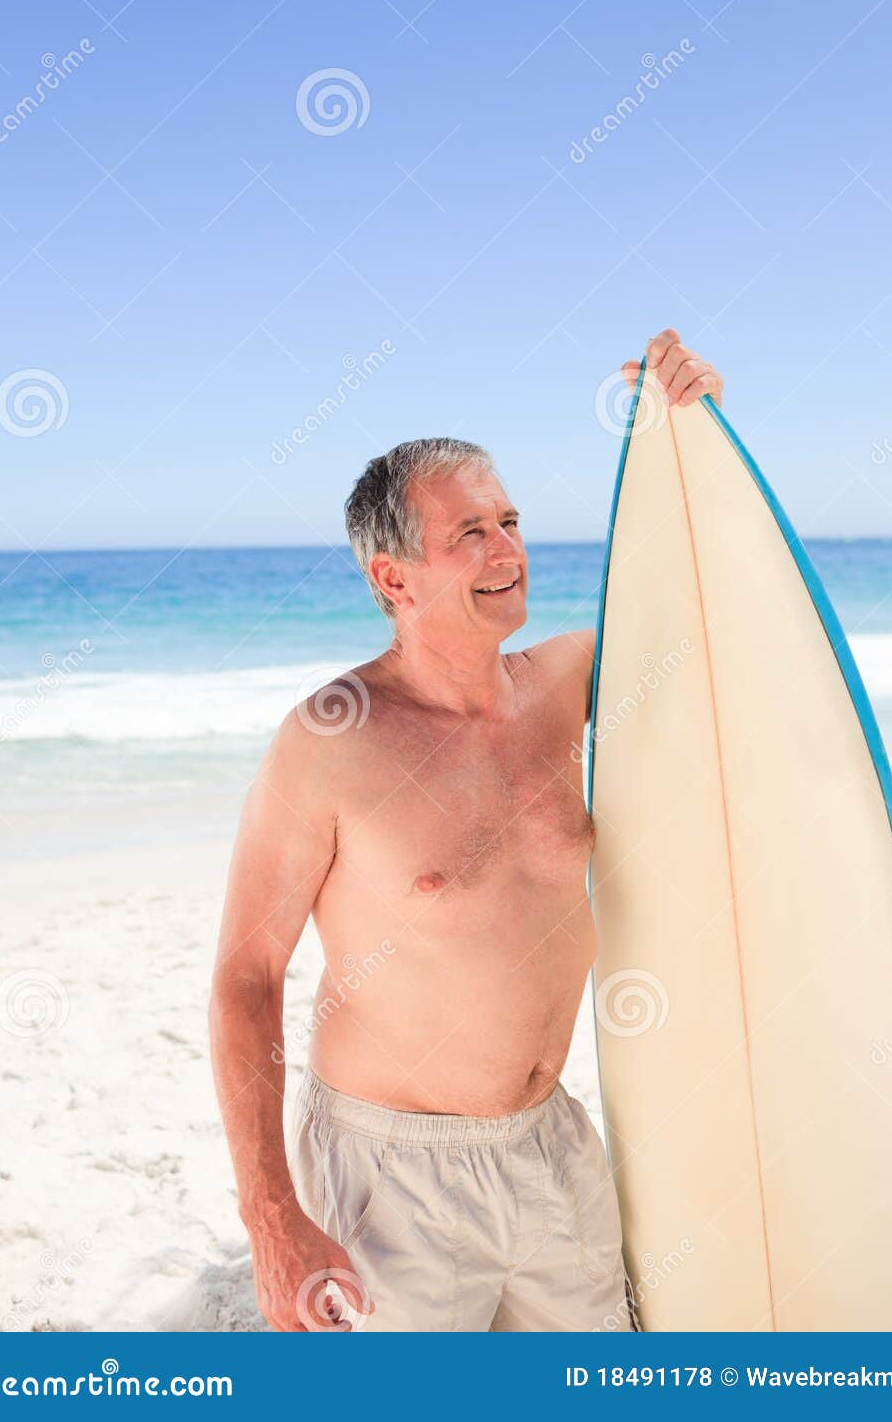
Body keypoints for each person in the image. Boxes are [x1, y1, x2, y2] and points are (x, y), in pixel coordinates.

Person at [209, 330, 723, 1331]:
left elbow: (710, 613)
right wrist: (271, 1216)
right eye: (469, 536)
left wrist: (691, 436)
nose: (508, 551)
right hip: (384, 1171)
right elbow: (245, 974)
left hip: (549, 1146)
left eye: (510, 520)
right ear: (393, 580)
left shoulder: (570, 681)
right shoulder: (332, 739)